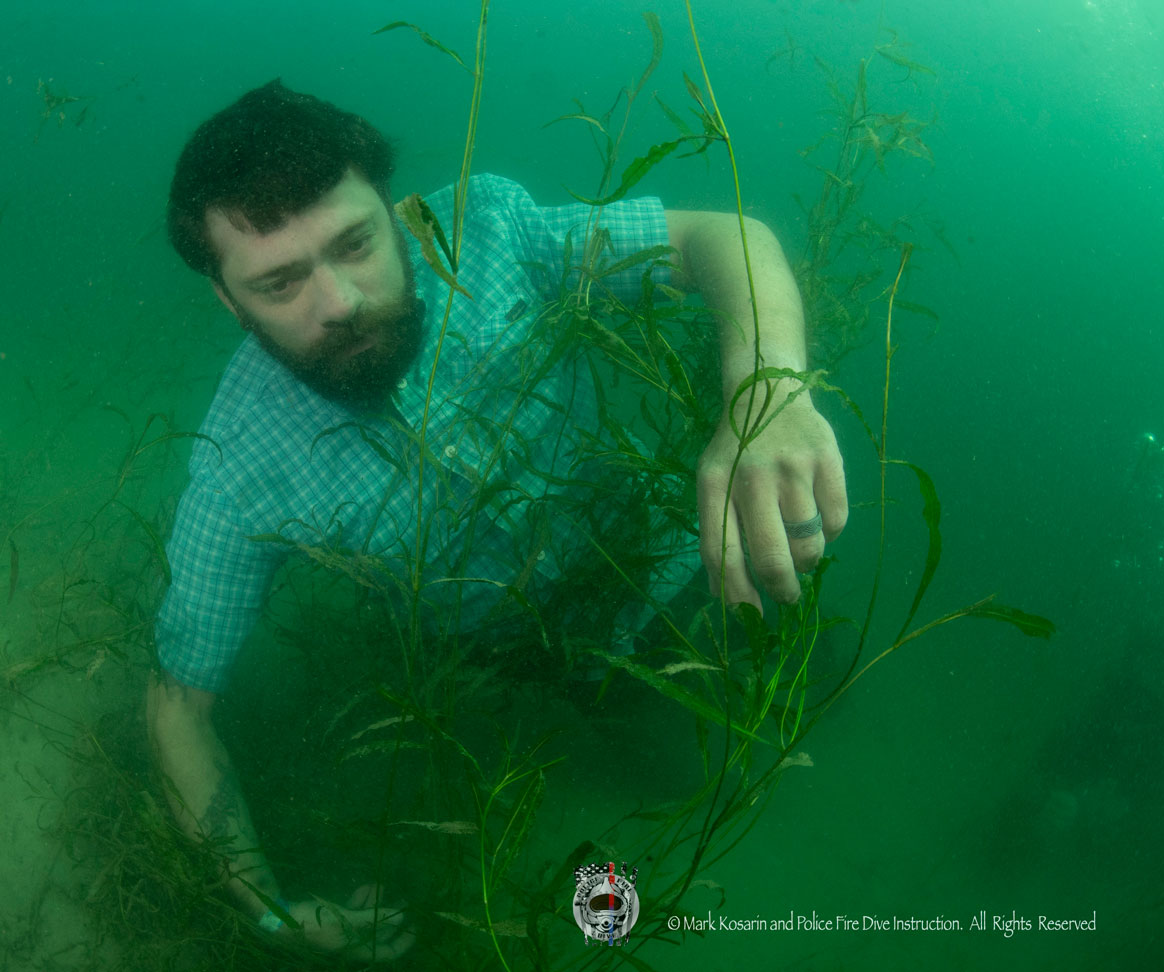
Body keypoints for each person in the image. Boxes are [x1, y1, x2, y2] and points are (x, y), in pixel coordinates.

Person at [147, 80, 847, 961]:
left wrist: (767, 392)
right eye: (280, 281)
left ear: (396, 214)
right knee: (670, 780)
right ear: (228, 300)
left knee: (814, 682)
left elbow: (725, 237)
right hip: (530, 671)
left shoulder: (492, 233)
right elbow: (179, 706)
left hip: (690, 557)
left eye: (356, 244)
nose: (338, 302)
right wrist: (270, 912)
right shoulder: (235, 466)